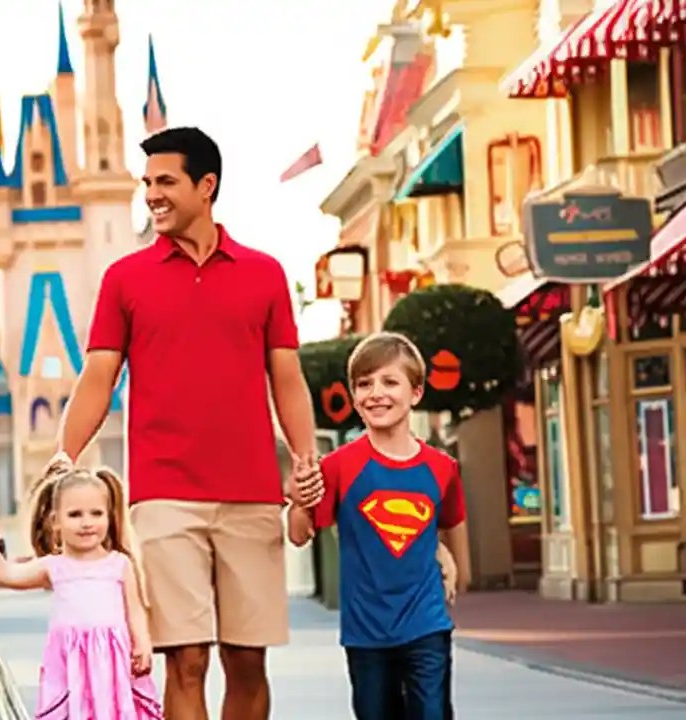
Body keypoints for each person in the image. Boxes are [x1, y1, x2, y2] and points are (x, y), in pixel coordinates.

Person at [54, 126, 323, 720]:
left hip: (252, 494)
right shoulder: (125, 278)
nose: (151, 194)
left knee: (247, 661)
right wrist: (63, 457)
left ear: (206, 186)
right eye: (147, 182)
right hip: (164, 496)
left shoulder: (264, 273)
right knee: (186, 660)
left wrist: (306, 466)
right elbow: (98, 376)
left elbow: (286, 378)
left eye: (165, 181)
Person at [288, 332, 471, 720]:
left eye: (390, 382)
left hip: (426, 625)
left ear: (416, 393)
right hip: (366, 633)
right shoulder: (339, 466)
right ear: (354, 396)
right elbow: (299, 534)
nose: (376, 394)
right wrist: (300, 498)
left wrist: (456, 568)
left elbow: (451, 523)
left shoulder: (442, 469)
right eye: (364, 384)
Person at [0, 463, 163, 719]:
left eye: (96, 514)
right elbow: (6, 574)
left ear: (109, 517)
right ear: (55, 522)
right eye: (75, 515)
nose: (86, 523)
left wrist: (142, 641)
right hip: (69, 665)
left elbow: (135, 609)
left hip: (112, 664)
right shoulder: (54, 566)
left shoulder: (119, 564)